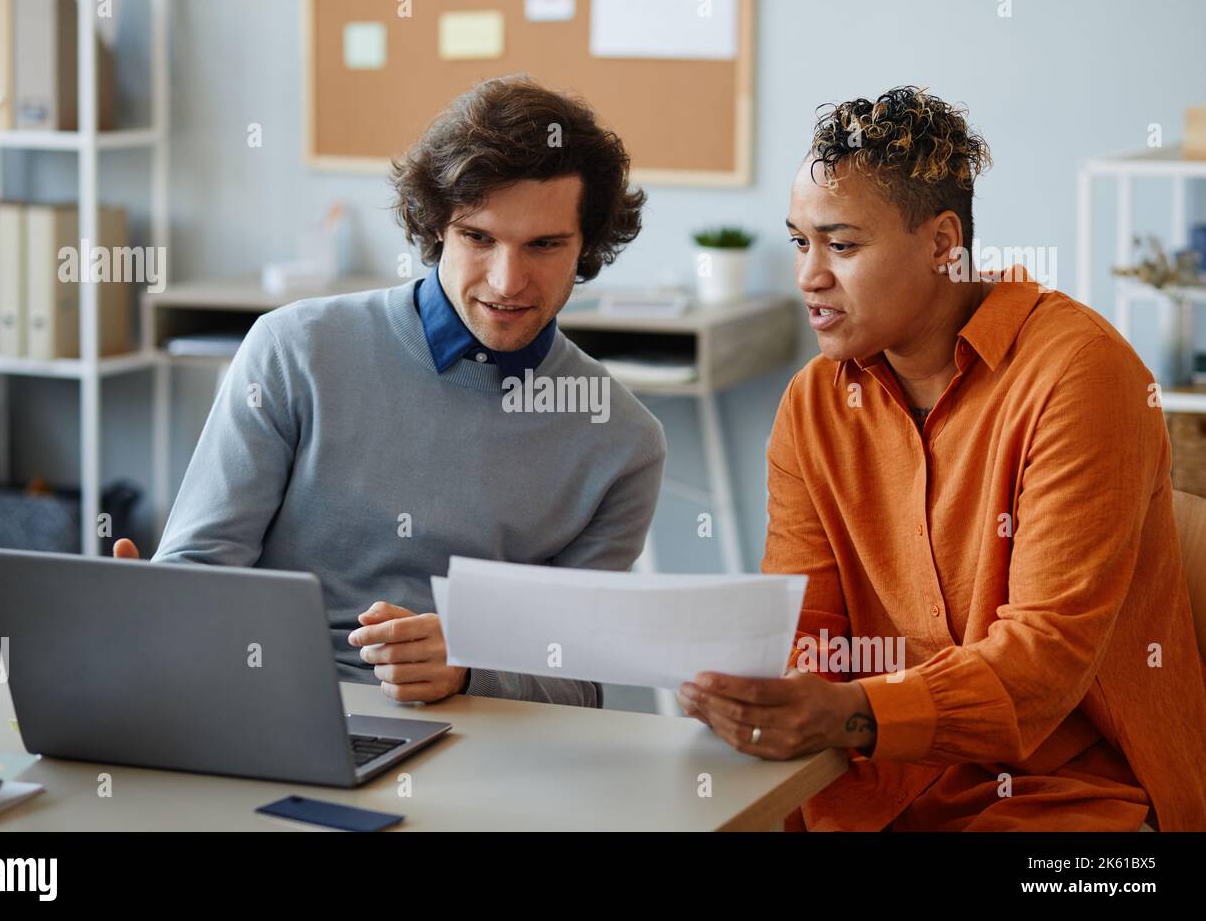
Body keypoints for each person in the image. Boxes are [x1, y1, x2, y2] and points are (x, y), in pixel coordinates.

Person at [679, 86, 1206, 830]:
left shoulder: (1080, 374)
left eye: (843, 244)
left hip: (1073, 800)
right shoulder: (813, 403)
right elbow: (808, 626)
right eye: (801, 241)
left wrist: (851, 713)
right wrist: (771, 695)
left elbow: (1042, 662)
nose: (809, 275)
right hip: (868, 790)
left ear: (941, 242)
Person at [115, 75, 666, 709]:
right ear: (436, 228)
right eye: (478, 238)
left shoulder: (623, 443)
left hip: (480, 734)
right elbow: (201, 567)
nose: (507, 281)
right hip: (272, 703)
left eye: (544, 245)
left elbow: (574, 675)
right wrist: (151, 609)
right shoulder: (296, 348)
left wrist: (466, 672)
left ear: (587, 247)